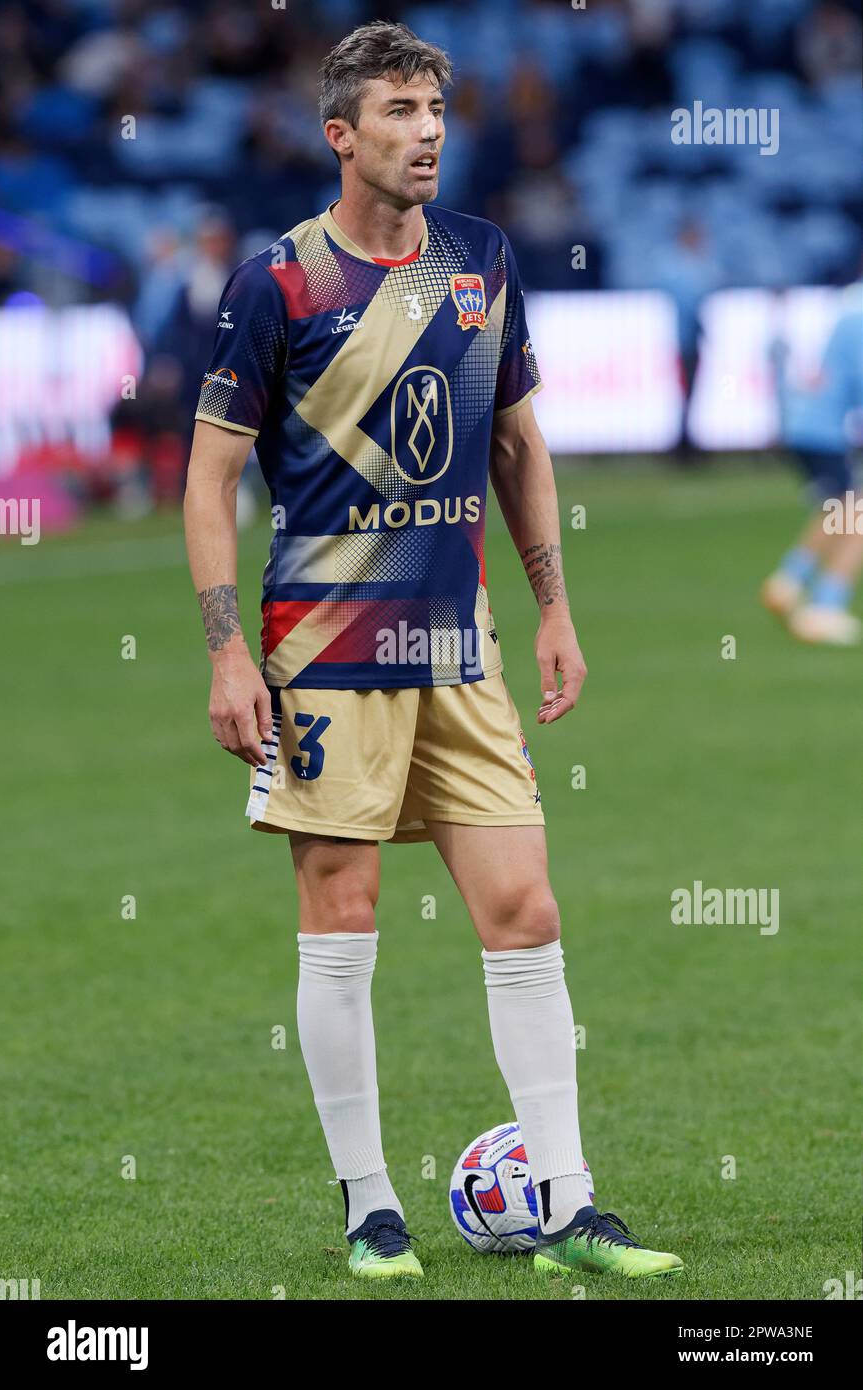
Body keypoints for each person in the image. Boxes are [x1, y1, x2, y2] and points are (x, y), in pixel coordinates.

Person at [183, 20, 682, 1283]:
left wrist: (554, 605)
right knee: (340, 916)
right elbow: (209, 477)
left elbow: (519, 442)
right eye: (399, 113)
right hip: (324, 654)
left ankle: (567, 1209)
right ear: (340, 135)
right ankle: (369, 1208)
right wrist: (227, 651)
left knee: (523, 910)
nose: (426, 133)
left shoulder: (480, 258)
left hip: (460, 648)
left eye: (435, 111)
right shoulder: (278, 284)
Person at [762, 279, 863, 646]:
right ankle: (825, 606)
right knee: (856, 514)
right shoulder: (858, 315)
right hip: (824, 429)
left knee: (842, 508)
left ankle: (790, 581)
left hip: (809, 424)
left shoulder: (848, 307)